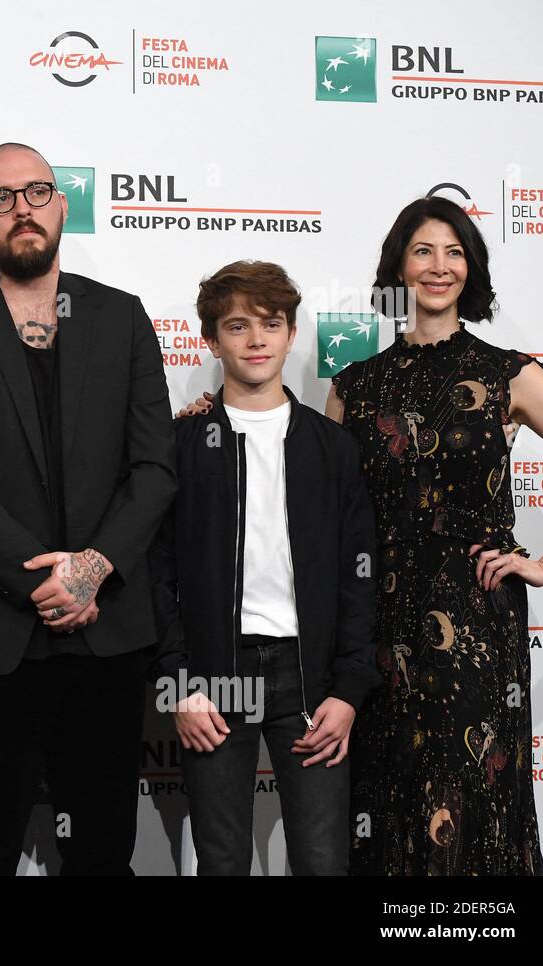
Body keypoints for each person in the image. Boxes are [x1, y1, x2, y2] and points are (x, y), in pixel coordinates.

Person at [181, 197, 543, 875]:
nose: (438, 267)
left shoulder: (509, 373)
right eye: (422, 251)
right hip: (375, 631)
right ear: (398, 267)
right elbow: (317, 510)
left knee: (472, 794)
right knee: (379, 806)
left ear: (470, 267)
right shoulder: (354, 387)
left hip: (473, 624)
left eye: (454, 251)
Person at [0, 142, 177, 875]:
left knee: (103, 846)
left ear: (59, 205)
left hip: (106, 627)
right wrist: (41, 581)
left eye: (36, 192)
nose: (21, 208)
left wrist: (91, 568)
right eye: (0, 198)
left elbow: (154, 469)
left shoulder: (120, 317)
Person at [148, 260, 376, 876]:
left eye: (271, 324)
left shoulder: (332, 447)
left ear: (292, 334)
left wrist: (349, 690)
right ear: (211, 339)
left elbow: (359, 576)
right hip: (213, 680)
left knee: (324, 859)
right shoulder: (182, 444)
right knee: (220, 860)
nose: (256, 339)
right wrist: (180, 683)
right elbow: (158, 573)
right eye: (237, 325)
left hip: (311, 677)